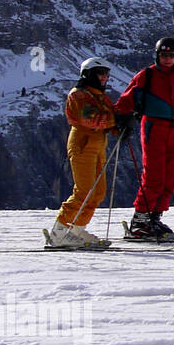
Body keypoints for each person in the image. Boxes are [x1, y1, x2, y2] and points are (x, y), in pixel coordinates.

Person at [114, 37, 174, 240]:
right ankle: (140, 221)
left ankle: (153, 217)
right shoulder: (146, 76)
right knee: (154, 175)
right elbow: (127, 98)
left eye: (171, 55)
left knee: (170, 178)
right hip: (154, 126)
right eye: (164, 55)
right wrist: (122, 117)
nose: (167, 59)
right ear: (157, 55)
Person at [48, 58, 118, 248]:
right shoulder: (78, 95)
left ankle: (77, 229)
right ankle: (59, 230)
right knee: (84, 191)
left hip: (97, 145)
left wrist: (120, 126)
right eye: (100, 73)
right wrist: (115, 120)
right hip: (83, 144)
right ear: (88, 74)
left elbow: (108, 118)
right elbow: (90, 119)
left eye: (106, 73)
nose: (104, 77)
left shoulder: (100, 96)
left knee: (97, 192)